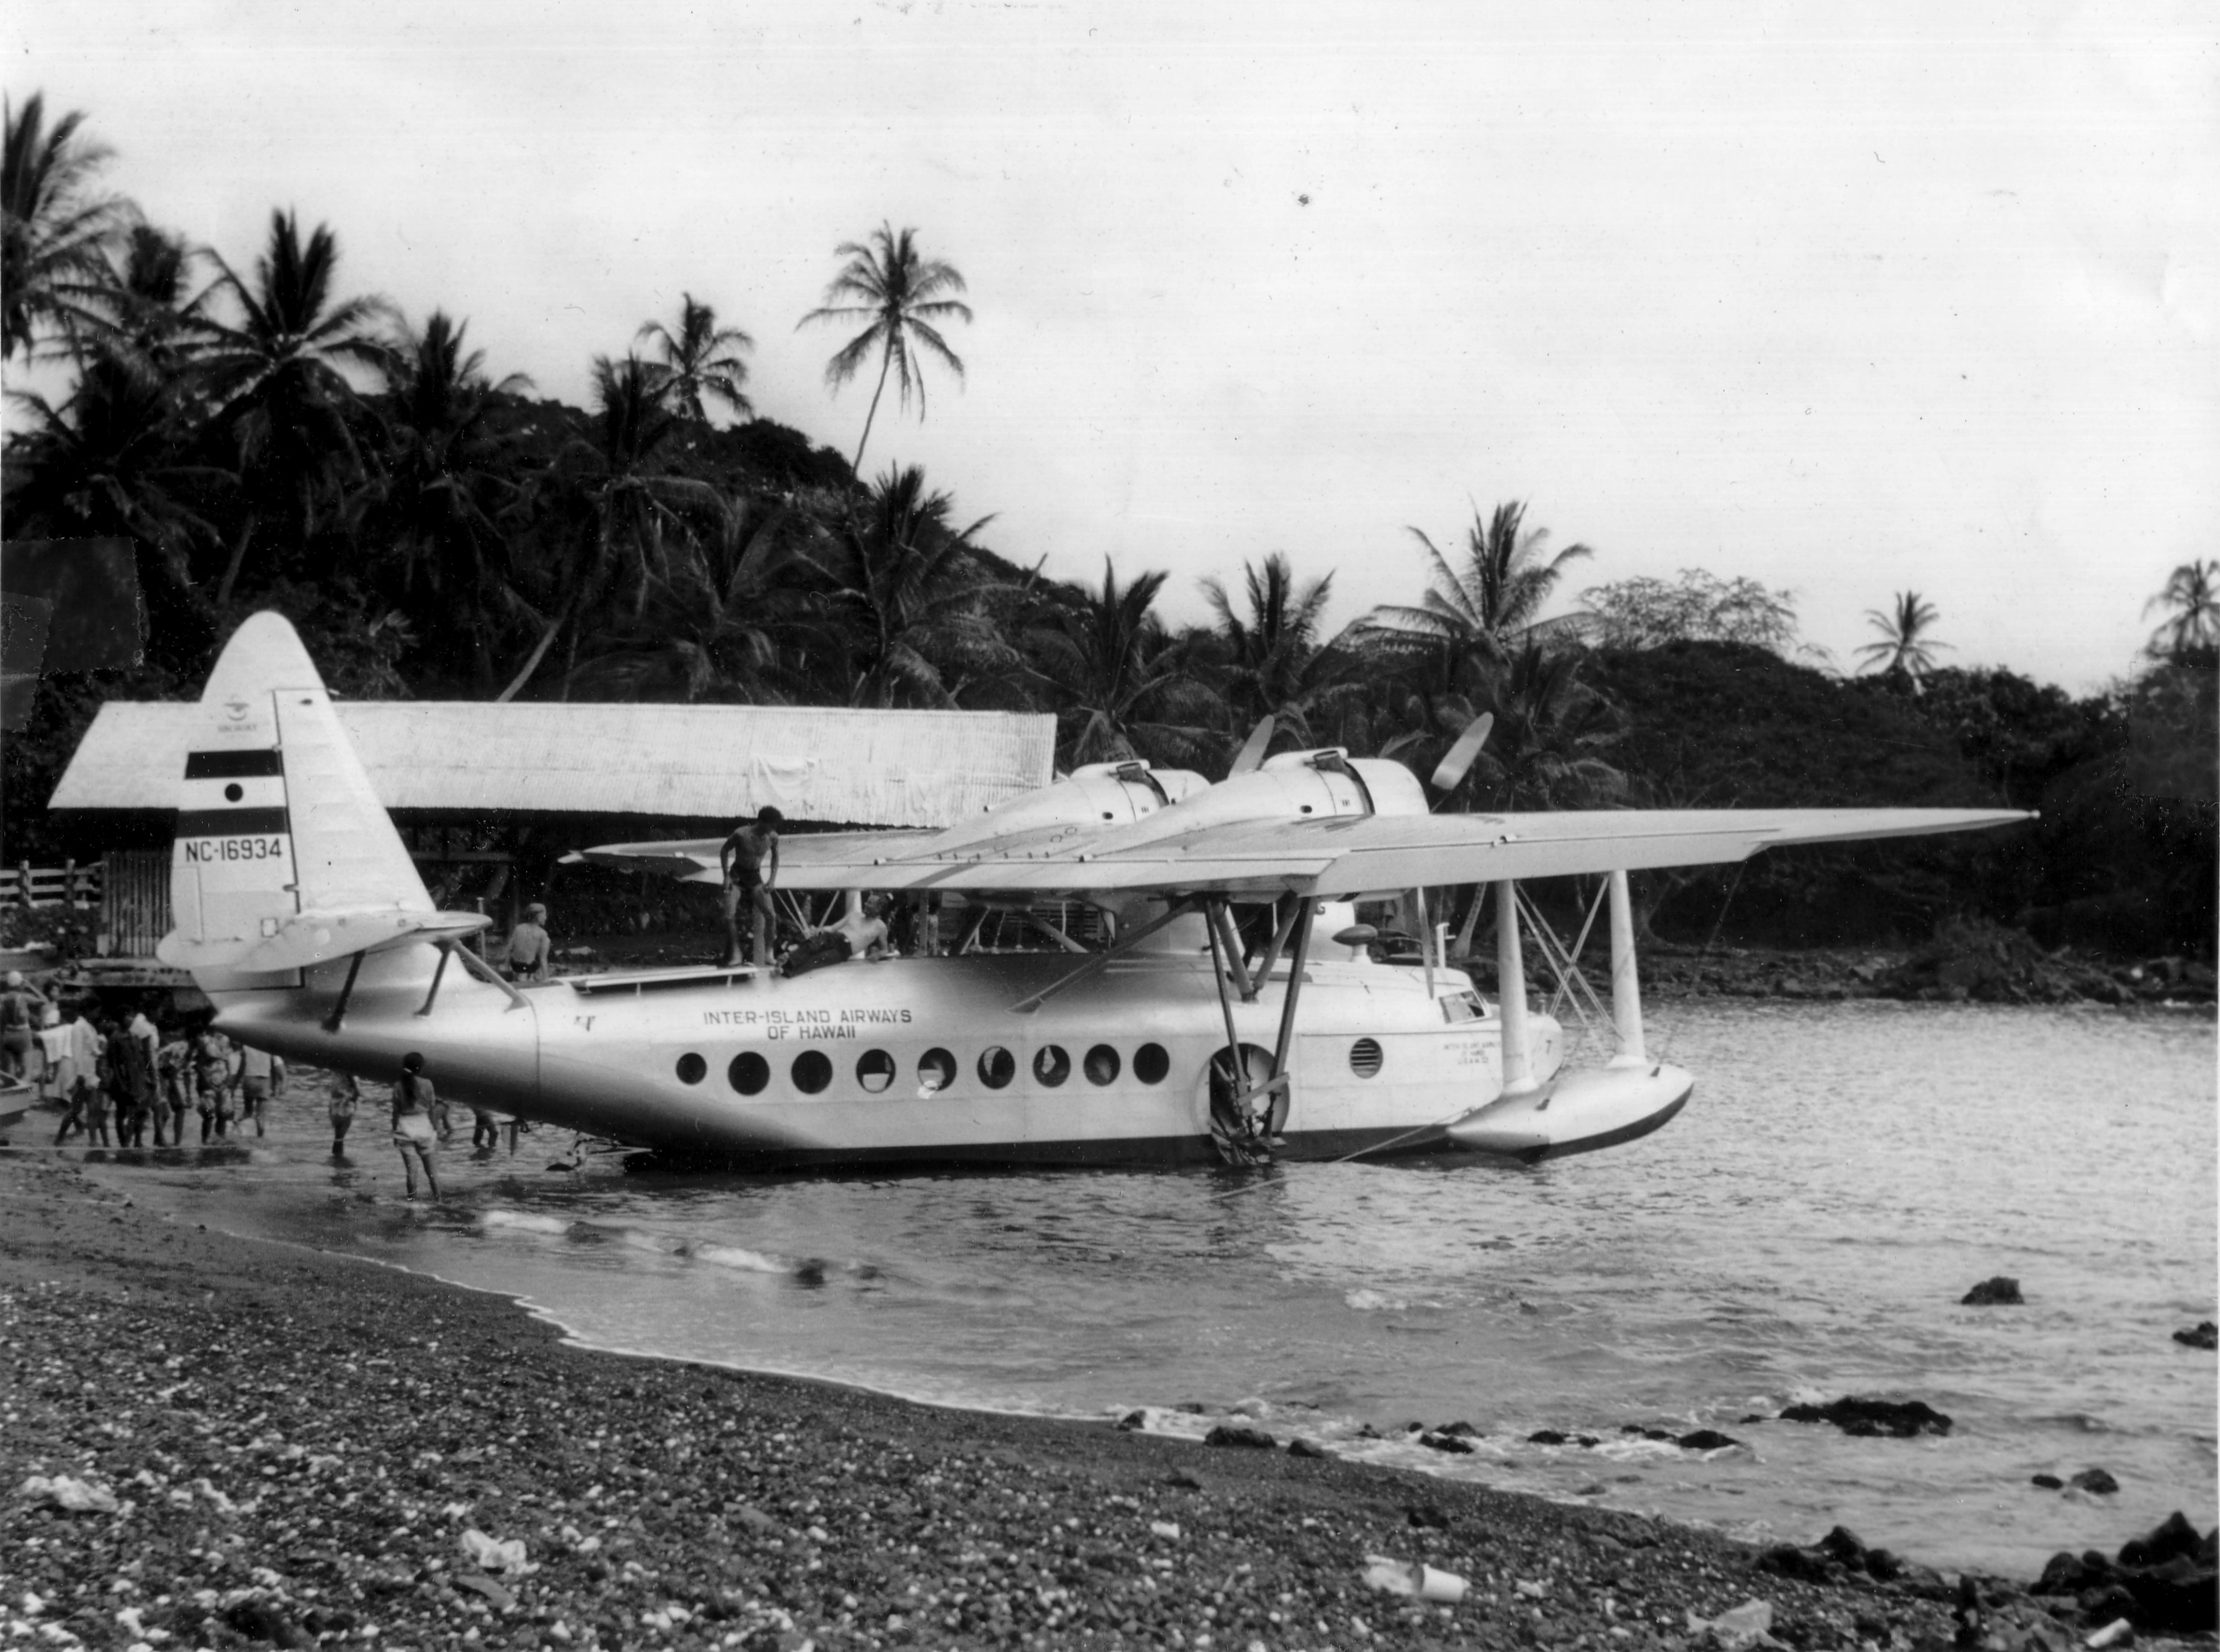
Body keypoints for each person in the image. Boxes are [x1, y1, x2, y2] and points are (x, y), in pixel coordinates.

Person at [719, 807, 783, 969]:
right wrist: (726, 875)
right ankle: (736, 953)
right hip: (737, 875)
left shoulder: (773, 837)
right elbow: (724, 850)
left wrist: (772, 880)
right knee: (728, 916)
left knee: (771, 915)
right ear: (762, 822)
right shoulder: (741, 833)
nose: (773, 829)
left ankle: (769, 953)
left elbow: (775, 857)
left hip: (754, 877)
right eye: (771, 825)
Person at [784, 893, 895, 978]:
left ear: (878, 908)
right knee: (813, 944)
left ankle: (787, 972)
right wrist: (818, 929)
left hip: (843, 951)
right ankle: (787, 960)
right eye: (867, 902)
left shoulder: (880, 927)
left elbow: (884, 950)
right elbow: (832, 928)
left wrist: (878, 955)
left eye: (870, 903)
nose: (866, 904)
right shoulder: (854, 915)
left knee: (818, 960)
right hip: (834, 937)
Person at [389, 1053, 442, 1200]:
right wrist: (435, 1128)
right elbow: (431, 1109)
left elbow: (396, 1112)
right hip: (424, 1126)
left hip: (405, 1128)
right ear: (421, 1067)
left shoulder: (398, 1085)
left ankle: (411, 1203)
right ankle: (438, 1201)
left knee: (411, 1172)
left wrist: (395, 1132)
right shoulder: (427, 1084)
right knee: (432, 1172)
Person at [0, 969, 49, 1081]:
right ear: (21, 983)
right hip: (23, 1035)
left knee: (9, 1074)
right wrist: (31, 986)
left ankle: (10, 1096)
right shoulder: (23, 997)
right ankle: (22, 1093)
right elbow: (44, 1001)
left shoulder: (3, 998)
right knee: (27, 1072)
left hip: (7, 1034)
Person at [194, 1026, 236, 1142]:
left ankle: (218, 1140)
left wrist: (229, 1080)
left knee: (223, 1114)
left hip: (223, 1080)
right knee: (208, 1114)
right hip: (208, 1081)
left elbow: (228, 1061)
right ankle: (205, 1141)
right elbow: (197, 1063)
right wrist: (204, 1080)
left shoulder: (226, 1038)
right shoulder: (202, 1039)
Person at [236, 1044, 285, 1138]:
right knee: (261, 1116)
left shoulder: (246, 1046)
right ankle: (260, 1138)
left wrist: (234, 1084)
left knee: (248, 1111)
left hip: (249, 1080)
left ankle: (236, 1123)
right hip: (264, 1081)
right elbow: (275, 1068)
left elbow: (241, 1067)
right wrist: (276, 1086)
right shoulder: (269, 1047)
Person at [155, 1029, 192, 1147]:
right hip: (159, 1074)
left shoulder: (191, 1050)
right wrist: (178, 1095)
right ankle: (165, 1142)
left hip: (165, 1075)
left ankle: (169, 1142)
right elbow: (170, 1071)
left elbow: (186, 1074)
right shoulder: (182, 1049)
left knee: (175, 1110)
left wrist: (188, 1094)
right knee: (169, 1111)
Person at [505, 903, 554, 982]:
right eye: (544, 915)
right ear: (538, 917)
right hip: (530, 967)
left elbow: (509, 949)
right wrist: (546, 978)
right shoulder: (542, 933)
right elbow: (543, 958)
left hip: (515, 965)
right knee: (546, 942)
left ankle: (525, 975)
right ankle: (534, 976)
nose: (546, 917)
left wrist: (506, 966)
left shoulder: (518, 928)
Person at [329, 1071, 360, 1157]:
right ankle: (338, 1156)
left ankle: (337, 1156)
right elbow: (356, 1093)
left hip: (338, 1102)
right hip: (343, 1102)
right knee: (340, 1135)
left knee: (338, 1136)